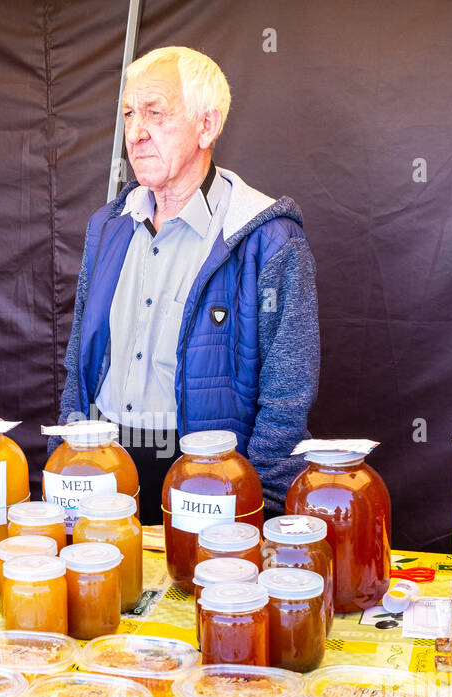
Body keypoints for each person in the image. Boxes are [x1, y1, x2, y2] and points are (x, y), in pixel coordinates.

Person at [57, 46, 319, 524]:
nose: (135, 133)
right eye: (130, 114)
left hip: (207, 480)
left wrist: (256, 507)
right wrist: (70, 457)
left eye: (156, 113)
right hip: (104, 470)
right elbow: (80, 360)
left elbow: (287, 397)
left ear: (207, 126)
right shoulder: (107, 227)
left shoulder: (268, 238)